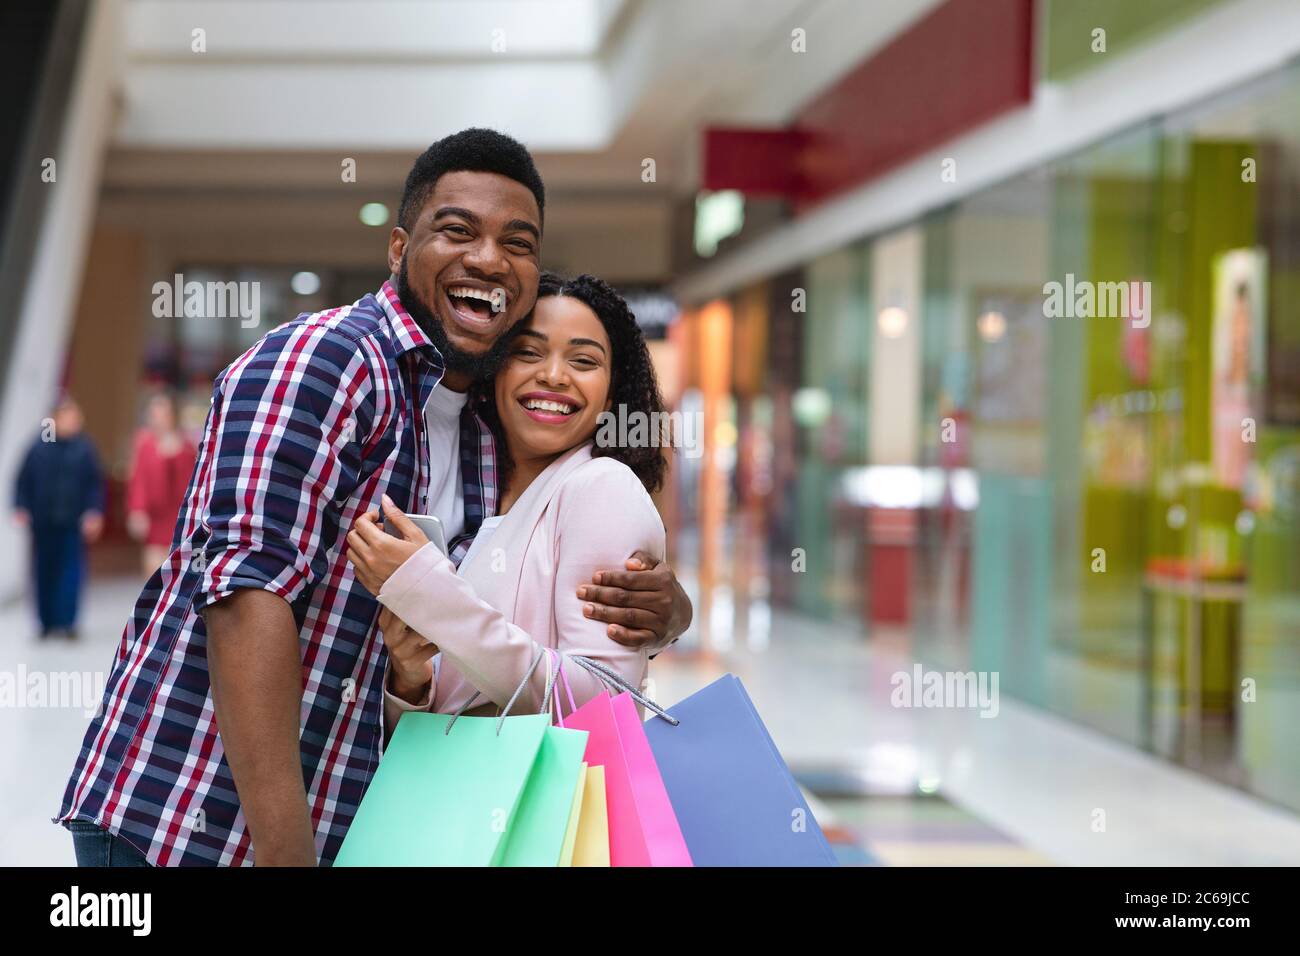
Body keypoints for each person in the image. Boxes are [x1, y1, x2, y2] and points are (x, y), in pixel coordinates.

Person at [56, 128, 692, 867]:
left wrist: (668, 613)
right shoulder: (324, 362)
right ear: (398, 250)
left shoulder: (483, 425)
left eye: (517, 242)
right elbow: (243, 601)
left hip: (347, 817)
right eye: (458, 230)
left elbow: (465, 643)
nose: (488, 258)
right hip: (194, 820)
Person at [346, 273, 670, 727]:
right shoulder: (471, 489)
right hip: (460, 791)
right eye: (528, 352)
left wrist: (428, 592)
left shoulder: (601, 487)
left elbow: (603, 701)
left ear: (611, 395)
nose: (554, 376)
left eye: (583, 360)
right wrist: (411, 680)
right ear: (496, 369)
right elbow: (447, 706)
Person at [14, 395, 105, 639]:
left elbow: (94, 485)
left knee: (71, 574)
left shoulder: (85, 448)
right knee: (44, 572)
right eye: (68, 417)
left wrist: (94, 511)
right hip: (43, 522)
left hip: (72, 522)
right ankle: (46, 623)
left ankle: (68, 623)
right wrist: (21, 507)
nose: (73, 422)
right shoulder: (39, 447)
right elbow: (23, 480)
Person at [126, 390, 198, 575]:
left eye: (162, 414)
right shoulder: (144, 443)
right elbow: (138, 478)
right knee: (153, 571)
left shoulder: (186, 445)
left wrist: (176, 453)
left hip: (178, 517)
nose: (157, 419)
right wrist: (137, 509)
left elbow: (190, 482)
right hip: (155, 518)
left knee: (179, 571)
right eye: (153, 414)